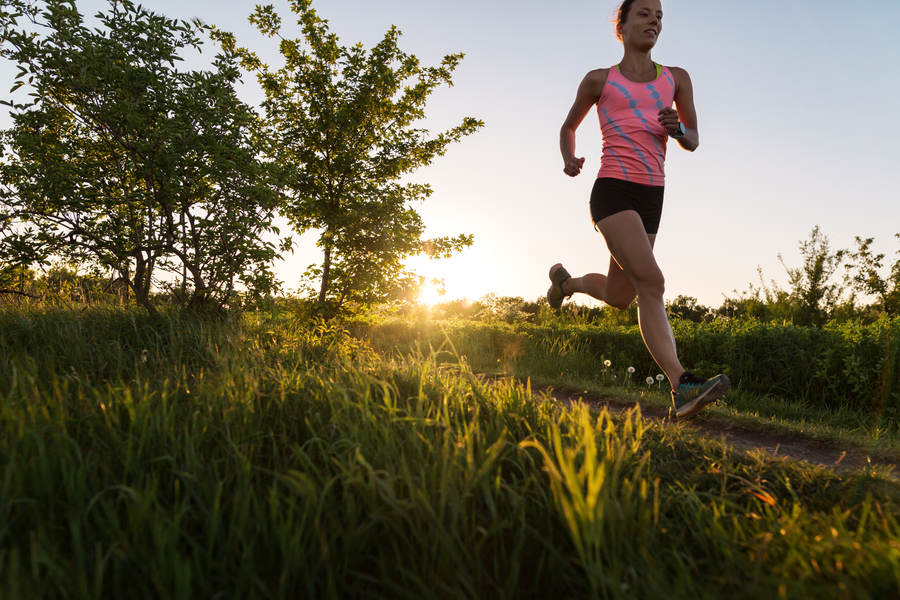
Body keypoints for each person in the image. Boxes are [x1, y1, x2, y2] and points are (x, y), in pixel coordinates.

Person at [547, 0, 729, 419]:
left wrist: (677, 130)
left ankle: (565, 284)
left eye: (660, 15)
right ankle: (682, 385)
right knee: (652, 282)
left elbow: (693, 139)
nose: (655, 21)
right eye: (645, 13)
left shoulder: (676, 79)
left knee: (620, 296)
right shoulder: (599, 80)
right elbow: (568, 126)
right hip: (613, 191)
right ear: (622, 26)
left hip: (652, 196)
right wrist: (569, 158)